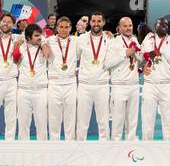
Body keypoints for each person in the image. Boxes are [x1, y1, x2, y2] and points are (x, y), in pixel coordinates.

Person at [76, 12, 119, 140]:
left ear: (104, 23)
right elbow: (77, 56)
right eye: (93, 21)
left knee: (103, 120)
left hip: (102, 85)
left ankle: (104, 148)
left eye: (99, 21)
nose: (96, 24)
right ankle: (79, 147)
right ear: (90, 22)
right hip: (84, 85)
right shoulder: (81, 39)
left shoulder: (110, 39)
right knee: (82, 121)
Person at [42, 15, 80, 140]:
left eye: (66, 27)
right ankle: (54, 143)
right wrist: (43, 43)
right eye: (61, 27)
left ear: (70, 28)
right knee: (53, 116)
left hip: (70, 83)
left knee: (70, 116)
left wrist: (109, 34)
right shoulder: (49, 41)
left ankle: (70, 144)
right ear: (56, 28)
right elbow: (34, 37)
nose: (64, 29)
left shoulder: (76, 41)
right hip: (54, 83)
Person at [140, 18, 170, 140]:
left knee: (168, 121)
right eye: (161, 24)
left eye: (166, 25)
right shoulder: (148, 38)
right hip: (150, 84)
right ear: (155, 26)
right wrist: (145, 59)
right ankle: (146, 148)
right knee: (147, 119)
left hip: (166, 84)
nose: (164, 26)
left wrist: (162, 51)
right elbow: (141, 56)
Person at [14, 22, 48, 139]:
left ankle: (43, 151)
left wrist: (42, 42)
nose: (39, 37)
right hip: (24, 89)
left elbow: (46, 54)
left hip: (40, 90)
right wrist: (17, 46)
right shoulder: (22, 47)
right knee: (23, 123)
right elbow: (15, 59)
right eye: (36, 35)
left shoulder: (44, 46)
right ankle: (22, 151)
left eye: (40, 35)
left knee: (41, 123)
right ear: (29, 37)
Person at [110, 16, 142, 140]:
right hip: (119, 85)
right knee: (118, 119)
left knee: (132, 119)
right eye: (125, 26)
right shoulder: (114, 42)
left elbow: (139, 58)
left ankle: (131, 144)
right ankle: (116, 144)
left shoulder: (134, 39)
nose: (128, 28)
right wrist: (124, 54)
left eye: (130, 25)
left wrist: (140, 56)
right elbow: (107, 63)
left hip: (133, 84)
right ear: (119, 28)